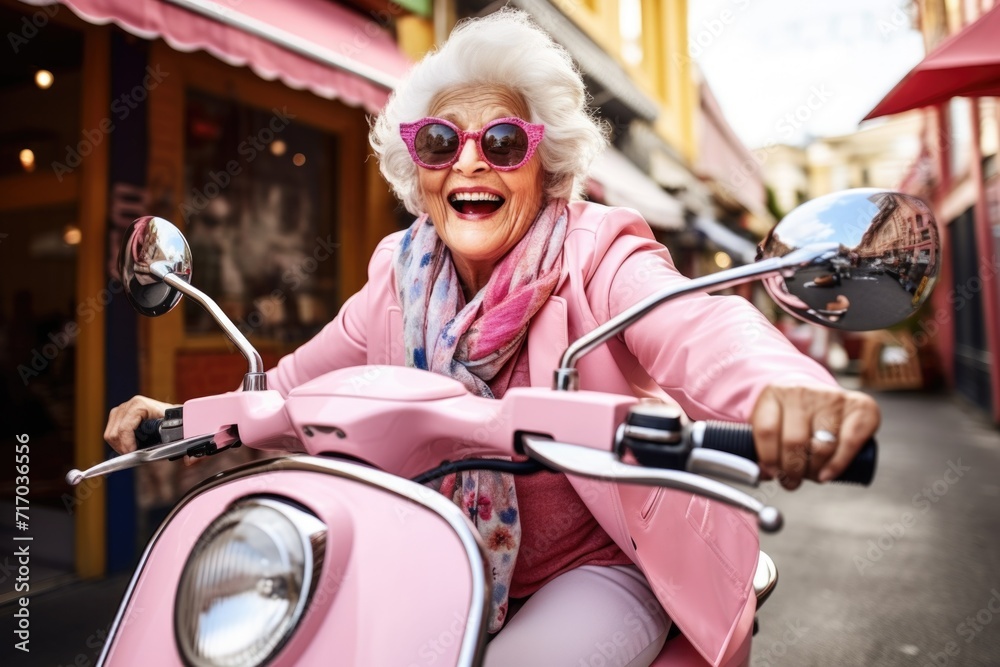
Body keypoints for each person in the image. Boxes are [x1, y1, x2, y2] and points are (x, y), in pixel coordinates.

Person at [104, 10, 879, 666]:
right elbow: (295, 383)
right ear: (420, 169)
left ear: (545, 166)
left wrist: (792, 394)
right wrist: (184, 414)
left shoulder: (596, 252)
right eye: (441, 142)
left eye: (504, 141)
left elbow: (695, 327)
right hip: (435, 551)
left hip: (600, 562)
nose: (470, 160)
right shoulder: (397, 281)